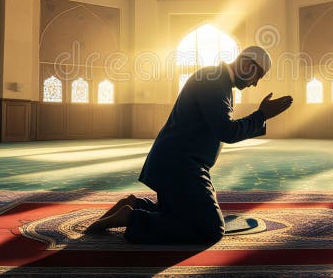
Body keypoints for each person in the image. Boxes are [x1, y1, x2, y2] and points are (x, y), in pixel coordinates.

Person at [85, 45, 293, 244]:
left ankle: (135, 205)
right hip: (181, 167)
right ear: (248, 66)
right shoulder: (214, 81)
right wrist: (261, 115)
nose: (255, 84)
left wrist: (261, 117)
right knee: (210, 229)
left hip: (180, 164)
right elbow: (226, 131)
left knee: (180, 214)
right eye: (258, 77)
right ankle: (133, 218)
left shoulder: (218, 80)